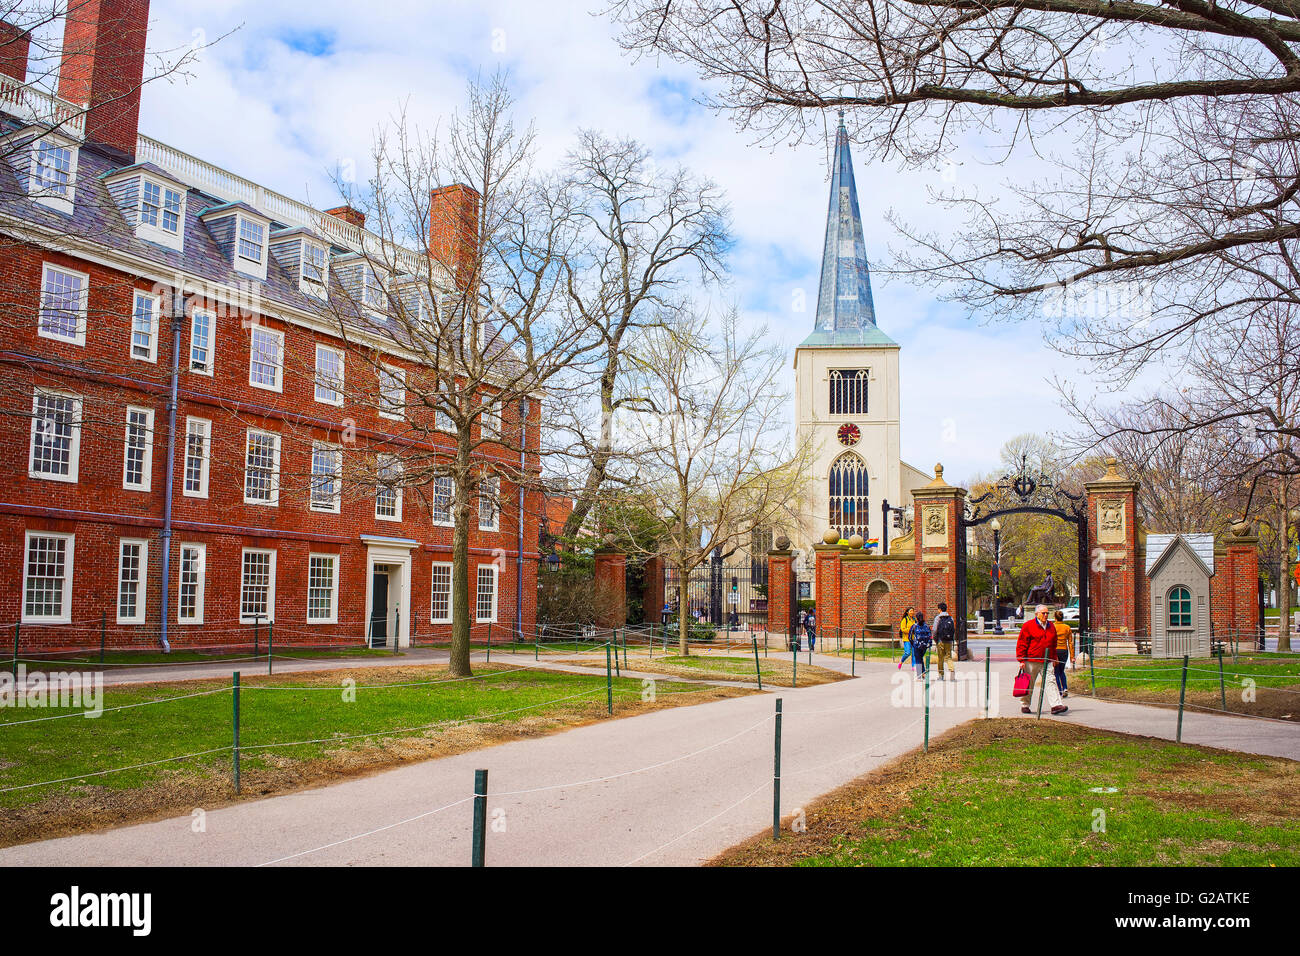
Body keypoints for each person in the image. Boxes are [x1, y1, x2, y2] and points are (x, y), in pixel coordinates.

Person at [1017, 604, 1067, 715]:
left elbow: (1053, 643)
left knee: (1051, 681)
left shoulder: (1051, 626)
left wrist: (1054, 657)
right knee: (1029, 683)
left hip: (1047, 660)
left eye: (1047, 613)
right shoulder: (1028, 626)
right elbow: (1022, 643)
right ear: (1036, 614)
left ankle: (1056, 705)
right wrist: (1021, 660)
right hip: (1031, 660)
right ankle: (1025, 705)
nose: (1045, 615)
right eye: (1043, 613)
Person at [1052, 610, 1074, 698]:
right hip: (1064, 650)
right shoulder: (1067, 627)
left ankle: (1060, 690)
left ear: (1055, 618)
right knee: (1062, 671)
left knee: (1056, 672)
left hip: (1055, 650)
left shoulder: (1052, 627)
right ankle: (1065, 688)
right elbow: (1071, 643)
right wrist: (1072, 656)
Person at [933, 602, 956, 681]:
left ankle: (941, 675)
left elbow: (935, 630)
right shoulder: (950, 618)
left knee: (940, 658)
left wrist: (936, 640)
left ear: (939, 609)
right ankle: (952, 672)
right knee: (949, 657)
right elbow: (953, 629)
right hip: (949, 641)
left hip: (940, 640)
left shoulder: (938, 618)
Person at [908, 612, 933, 680]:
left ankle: (919, 676)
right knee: (920, 658)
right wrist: (929, 644)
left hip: (917, 645)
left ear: (916, 618)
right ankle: (924, 673)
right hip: (924, 646)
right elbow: (930, 636)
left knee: (918, 660)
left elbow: (910, 637)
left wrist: (913, 644)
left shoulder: (914, 626)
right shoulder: (927, 626)